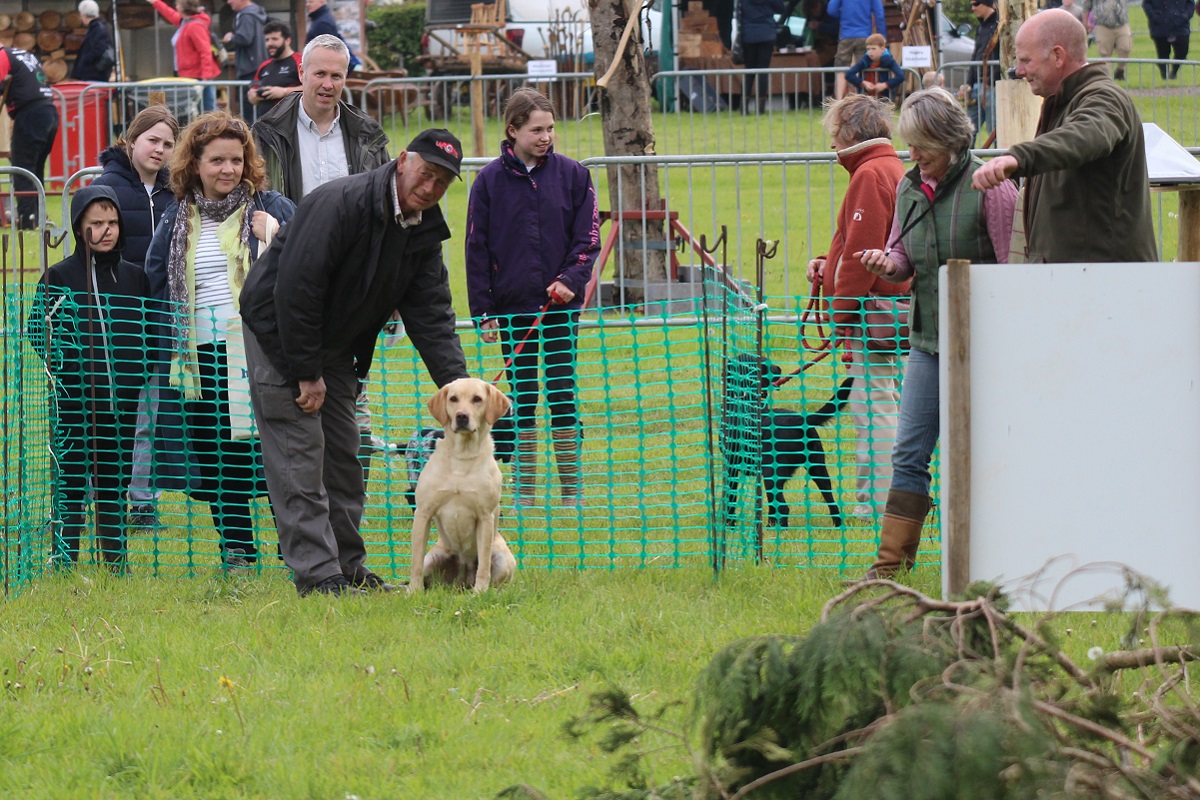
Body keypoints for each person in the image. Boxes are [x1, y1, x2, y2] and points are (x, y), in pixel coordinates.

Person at [238, 129, 470, 597]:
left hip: (336, 345)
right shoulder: (339, 203)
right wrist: (304, 372)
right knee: (300, 458)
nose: (430, 187)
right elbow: (296, 291)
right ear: (403, 160)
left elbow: (432, 313)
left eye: (442, 182)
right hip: (279, 332)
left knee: (346, 454)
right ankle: (320, 577)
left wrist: (459, 390)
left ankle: (348, 566)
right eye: (426, 174)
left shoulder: (424, 227)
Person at [858, 87, 1018, 579]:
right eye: (910, 145)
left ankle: (1001, 560)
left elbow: (1014, 266)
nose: (914, 156)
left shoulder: (990, 186)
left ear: (949, 141)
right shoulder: (908, 188)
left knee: (990, 452)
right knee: (909, 450)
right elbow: (902, 257)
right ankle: (889, 566)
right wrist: (887, 264)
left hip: (988, 344)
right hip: (927, 343)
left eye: (922, 146)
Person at [144, 110, 296, 571]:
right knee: (218, 458)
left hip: (260, 353)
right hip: (200, 359)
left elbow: (304, 265)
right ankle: (238, 551)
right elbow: (156, 285)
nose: (228, 169)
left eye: (236, 159)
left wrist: (273, 233)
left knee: (275, 454)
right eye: (217, 161)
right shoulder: (176, 220)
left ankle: (295, 548)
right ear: (195, 163)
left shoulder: (271, 207)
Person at [253, 34, 391, 483]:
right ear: (301, 74)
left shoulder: (367, 133)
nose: (328, 83)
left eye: (337, 75)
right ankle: (303, 501)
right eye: (320, 73)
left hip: (354, 284)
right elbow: (256, 203)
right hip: (291, 278)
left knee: (355, 397)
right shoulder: (267, 132)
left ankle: (350, 503)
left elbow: (386, 211)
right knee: (298, 395)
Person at [465, 89, 599, 508]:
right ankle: (524, 490)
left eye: (551, 128)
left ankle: (571, 490)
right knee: (521, 394)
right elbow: (476, 248)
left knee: (562, 388)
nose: (546, 136)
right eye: (536, 129)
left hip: (559, 307)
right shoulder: (488, 181)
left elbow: (588, 238)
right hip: (511, 307)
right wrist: (484, 311)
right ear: (513, 130)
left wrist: (570, 280)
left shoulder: (574, 175)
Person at [27, 186, 152, 573]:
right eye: (96, 223)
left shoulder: (134, 278)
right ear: (80, 227)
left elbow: (147, 331)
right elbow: (37, 330)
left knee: (114, 482)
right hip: (74, 404)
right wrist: (66, 369)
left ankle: (116, 561)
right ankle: (64, 559)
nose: (106, 230)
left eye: (112, 222)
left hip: (122, 403)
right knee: (70, 483)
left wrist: (137, 371)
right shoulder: (58, 276)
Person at [971, 9, 1156, 264]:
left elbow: (1082, 137)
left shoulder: (1104, 98)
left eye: (1026, 60)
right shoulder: (1061, 101)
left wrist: (1018, 158)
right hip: (1074, 283)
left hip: (1103, 287)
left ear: (1058, 56)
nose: (1019, 71)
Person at [806, 93, 908, 520]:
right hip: (885, 306)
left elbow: (863, 254)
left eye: (835, 133)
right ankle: (888, 499)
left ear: (850, 134)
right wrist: (830, 267)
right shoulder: (885, 168)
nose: (832, 144)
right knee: (881, 403)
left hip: (874, 311)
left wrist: (838, 311)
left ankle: (879, 503)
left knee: (874, 408)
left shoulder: (870, 174)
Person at [91, 106, 180, 528]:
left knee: (149, 416)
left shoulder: (176, 194)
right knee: (105, 414)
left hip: (158, 321)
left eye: (167, 144)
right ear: (132, 139)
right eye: (153, 140)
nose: (159, 150)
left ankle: (143, 501)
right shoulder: (106, 187)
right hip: (114, 320)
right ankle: (89, 497)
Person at [1, 47, 59, 230]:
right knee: (35, 170)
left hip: (30, 114)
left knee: (22, 168)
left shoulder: (3, 55)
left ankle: (28, 220)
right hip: (49, 112)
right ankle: (38, 217)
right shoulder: (22, 53)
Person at [146, 0, 222, 112]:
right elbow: (170, 13)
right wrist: (156, 2)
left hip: (198, 77)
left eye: (177, 4)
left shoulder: (194, 26)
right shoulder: (185, 22)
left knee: (207, 110)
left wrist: (205, 78)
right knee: (201, 110)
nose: (175, 6)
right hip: (191, 76)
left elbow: (205, 51)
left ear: (182, 8)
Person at [958, 0, 1001, 141]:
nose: (973, 8)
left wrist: (991, 81)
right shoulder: (981, 26)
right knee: (967, 130)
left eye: (976, 4)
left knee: (994, 130)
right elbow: (976, 55)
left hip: (991, 88)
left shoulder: (1000, 25)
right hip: (978, 86)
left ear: (986, 3)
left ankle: (999, 161)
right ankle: (965, 162)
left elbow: (1001, 56)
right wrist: (968, 83)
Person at [828, 0, 887, 98]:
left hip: (846, 35)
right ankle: (861, 100)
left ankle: (838, 101)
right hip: (865, 36)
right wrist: (881, 35)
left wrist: (843, 15)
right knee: (863, 68)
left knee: (841, 69)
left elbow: (831, 10)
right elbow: (879, 14)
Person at [222, 0, 268, 122]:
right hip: (257, 67)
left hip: (249, 70)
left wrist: (231, 38)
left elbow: (245, 38)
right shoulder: (256, 13)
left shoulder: (246, 15)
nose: (229, 2)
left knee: (249, 113)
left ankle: (251, 139)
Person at [739, 0, 786, 114]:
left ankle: (743, 107)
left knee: (749, 70)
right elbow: (781, 8)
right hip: (766, 33)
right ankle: (760, 108)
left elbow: (739, 11)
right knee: (763, 70)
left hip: (748, 34)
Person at [248, 20, 302, 114]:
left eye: (274, 39)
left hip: (291, 122)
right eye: (267, 40)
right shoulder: (264, 65)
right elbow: (253, 94)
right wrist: (252, 95)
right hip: (265, 124)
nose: (270, 43)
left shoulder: (300, 61)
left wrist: (284, 92)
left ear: (287, 40)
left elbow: (312, 88)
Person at [1141, 0, 1194, 79]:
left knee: (1183, 51)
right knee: (1163, 53)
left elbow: (1190, 4)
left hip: (1180, 25)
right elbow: (1146, 3)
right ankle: (1164, 75)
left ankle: (1174, 71)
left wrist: (1185, 15)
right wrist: (1153, 16)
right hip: (1160, 24)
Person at [1080, 0, 1131, 79]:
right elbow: (1086, 5)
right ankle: (1106, 77)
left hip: (1122, 23)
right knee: (1105, 53)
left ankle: (1120, 71)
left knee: (1126, 47)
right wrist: (1085, 22)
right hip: (1102, 24)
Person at [305, 0, 360, 71]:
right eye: (307, 2)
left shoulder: (323, 23)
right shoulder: (320, 19)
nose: (307, 4)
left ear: (322, 1)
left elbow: (326, 52)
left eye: (311, 2)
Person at [845, 33, 905, 98]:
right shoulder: (864, 60)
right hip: (865, 97)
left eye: (873, 49)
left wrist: (885, 85)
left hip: (883, 98)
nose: (870, 52)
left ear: (882, 49)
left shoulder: (889, 60)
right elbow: (849, 74)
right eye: (868, 49)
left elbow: (901, 76)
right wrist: (863, 83)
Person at [71, 0, 115, 81]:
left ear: (84, 15)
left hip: (94, 76)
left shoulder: (98, 29)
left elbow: (99, 49)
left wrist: (85, 61)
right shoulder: (97, 28)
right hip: (93, 75)